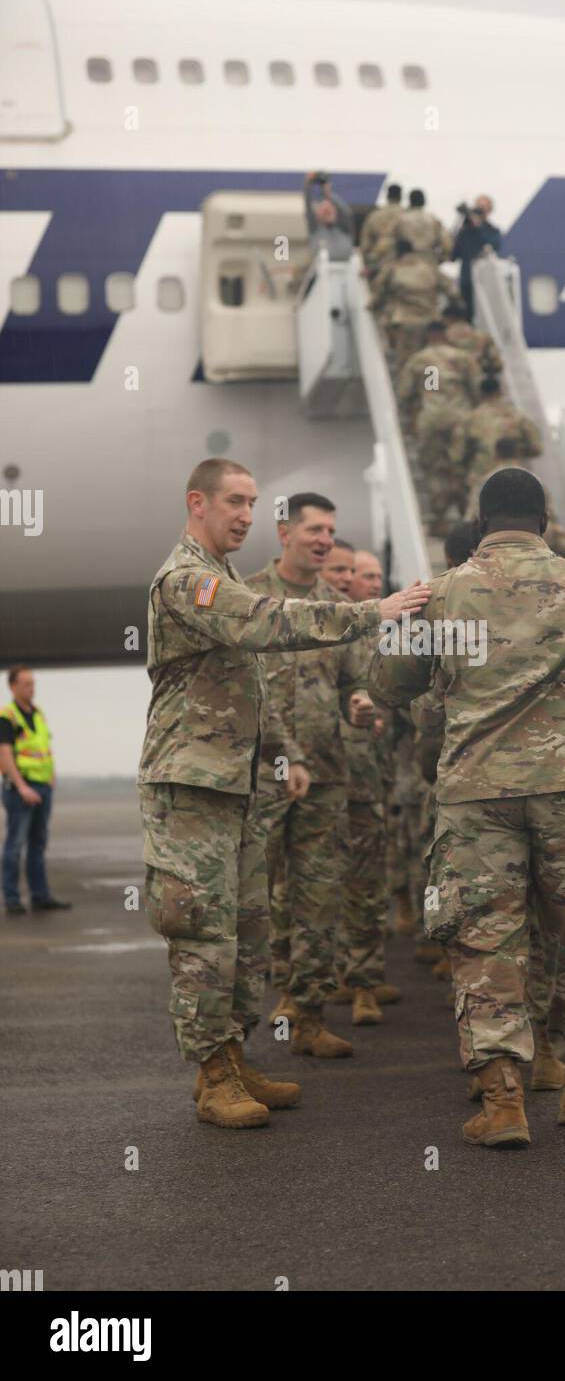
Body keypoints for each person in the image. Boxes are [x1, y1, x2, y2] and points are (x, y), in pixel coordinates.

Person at [369, 468, 565, 1148]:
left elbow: (389, 684)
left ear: (481, 518)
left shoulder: (440, 595)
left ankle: (502, 1102)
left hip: (476, 795)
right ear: (545, 516)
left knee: (484, 942)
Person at [138, 459, 428, 1128]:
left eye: (251, 502)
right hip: (191, 787)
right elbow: (263, 623)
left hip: (238, 784)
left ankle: (234, 1058)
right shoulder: (189, 581)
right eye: (233, 502)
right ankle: (211, 1075)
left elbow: (251, 695)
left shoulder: (224, 575)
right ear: (197, 503)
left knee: (247, 931)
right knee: (204, 933)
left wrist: (280, 758)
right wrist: (368, 611)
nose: (244, 514)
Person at [246, 495, 380, 1059]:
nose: (325, 539)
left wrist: (360, 703)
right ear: (285, 533)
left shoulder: (336, 607)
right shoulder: (249, 596)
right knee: (261, 897)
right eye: (314, 529)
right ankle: (256, 1012)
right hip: (264, 775)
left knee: (320, 896)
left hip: (325, 774)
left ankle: (310, 1013)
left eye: (331, 529)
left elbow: (356, 678)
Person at [333, 549, 402, 1022]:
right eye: (363, 575)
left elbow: (404, 696)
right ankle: (312, 984)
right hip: (318, 775)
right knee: (308, 886)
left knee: (365, 882)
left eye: (379, 576)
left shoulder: (388, 635)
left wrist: (382, 716)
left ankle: (363, 984)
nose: (371, 583)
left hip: (366, 776)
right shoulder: (315, 626)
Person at [397, 318, 482, 535]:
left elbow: (404, 394)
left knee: (434, 467)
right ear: (445, 335)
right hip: (459, 418)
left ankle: (440, 517)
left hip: (431, 419)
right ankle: (467, 514)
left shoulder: (418, 359)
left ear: (428, 336)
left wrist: (411, 416)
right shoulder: (462, 357)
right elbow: (476, 389)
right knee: (462, 465)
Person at [1, 665, 71, 917]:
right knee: (15, 844)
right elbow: (5, 754)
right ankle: (11, 898)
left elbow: (44, 747)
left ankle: (40, 896)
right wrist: (21, 786)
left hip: (42, 787)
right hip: (20, 789)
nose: (31, 688)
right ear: (12, 686)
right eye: (26, 684)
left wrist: (51, 776)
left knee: (38, 844)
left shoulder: (38, 713)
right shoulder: (7, 716)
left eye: (33, 683)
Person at [451, 376, 543, 512]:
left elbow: (457, 455)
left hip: (480, 475)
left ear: (481, 394)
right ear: (500, 392)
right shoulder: (517, 416)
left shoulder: (470, 418)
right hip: (513, 474)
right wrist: (518, 450)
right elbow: (537, 447)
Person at [368, 237, 458, 374]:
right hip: (431, 322)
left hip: (406, 323)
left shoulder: (392, 269)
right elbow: (452, 291)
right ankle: (430, 391)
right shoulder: (429, 267)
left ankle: (406, 392)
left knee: (406, 364)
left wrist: (371, 307)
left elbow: (378, 294)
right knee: (430, 363)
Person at [452, 195, 502, 320]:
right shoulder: (466, 231)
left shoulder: (492, 230)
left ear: (489, 211)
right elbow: (453, 254)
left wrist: (479, 226)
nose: (478, 211)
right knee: (466, 315)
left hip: (484, 282)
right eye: (477, 208)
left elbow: (494, 245)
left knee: (484, 317)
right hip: (466, 280)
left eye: (482, 208)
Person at [442, 301, 503, 376]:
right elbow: (497, 364)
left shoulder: (443, 338)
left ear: (448, 318)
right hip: (479, 380)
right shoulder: (482, 336)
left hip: (453, 382)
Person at [304, 171, 354, 261]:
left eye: (330, 210)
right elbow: (308, 206)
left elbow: (345, 212)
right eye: (324, 211)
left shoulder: (344, 229)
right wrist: (308, 184)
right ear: (318, 216)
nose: (327, 211)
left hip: (345, 271)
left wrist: (328, 193)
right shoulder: (315, 230)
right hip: (322, 272)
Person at [395, 189, 451, 266]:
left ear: (410, 202)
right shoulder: (433, 219)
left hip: (406, 263)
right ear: (424, 202)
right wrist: (439, 260)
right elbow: (447, 245)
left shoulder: (401, 219)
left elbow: (388, 241)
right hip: (428, 262)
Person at [359, 182, 403, 279]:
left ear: (387, 196)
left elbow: (365, 246)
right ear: (401, 197)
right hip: (404, 269)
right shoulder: (407, 216)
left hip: (378, 268)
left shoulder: (374, 216)